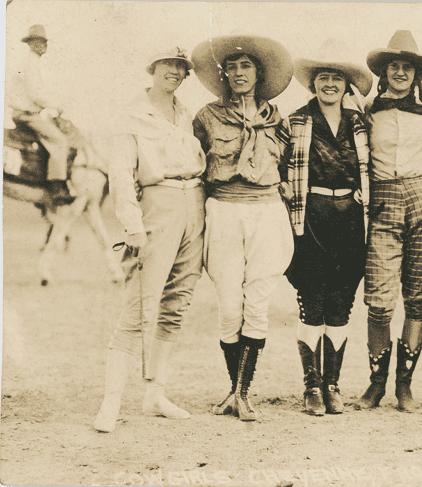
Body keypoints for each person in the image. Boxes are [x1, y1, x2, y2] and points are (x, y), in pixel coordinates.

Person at [94, 47, 206, 433]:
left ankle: (155, 393)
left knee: (178, 302)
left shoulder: (185, 113)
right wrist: (132, 224)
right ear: (153, 69)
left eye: (180, 67)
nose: (174, 72)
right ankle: (111, 401)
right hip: (158, 206)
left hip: (195, 202)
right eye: (167, 65)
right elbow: (122, 175)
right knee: (139, 304)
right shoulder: (132, 115)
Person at [191, 32, 294, 421]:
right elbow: (196, 169)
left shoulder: (278, 118)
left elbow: (289, 167)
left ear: (259, 73)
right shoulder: (207, 116)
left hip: (267, 211)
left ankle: (242, 393)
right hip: (224, 211)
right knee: (229, 304)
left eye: (245, 66)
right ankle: (232, 391)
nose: (237, 73)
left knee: (258, 301)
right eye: (230, 67)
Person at [356, 30, 422, 412]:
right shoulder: (366, 112)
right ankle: (375, 385)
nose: (399, 72)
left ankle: (404, 387)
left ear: (417, 75)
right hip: (383, 200)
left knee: (418, 298)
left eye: (406, 67)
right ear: (384, 72)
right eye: (393, 66)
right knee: (379, 301)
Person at [283, 39, 372, 416]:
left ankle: (332, 385)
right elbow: (277, 163)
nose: (330, 84)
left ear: (346, 85)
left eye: (337, 78)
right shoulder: (296, 121)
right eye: (323, 77)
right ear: (313, 84)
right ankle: (311, 388)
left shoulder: (360, 124)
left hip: (350, 220)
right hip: (310, 216)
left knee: (341, 306)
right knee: (311, 304)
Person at [6, 25, 72, 204]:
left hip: (26, 112)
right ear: (33, 44)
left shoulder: (29, 62)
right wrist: (56, 106)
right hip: (27, 114)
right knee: (60, 141)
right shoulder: (30, 64)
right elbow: (35, 94)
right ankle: (57, 186)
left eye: (45, 42)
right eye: (41, 42)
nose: (44, 46)